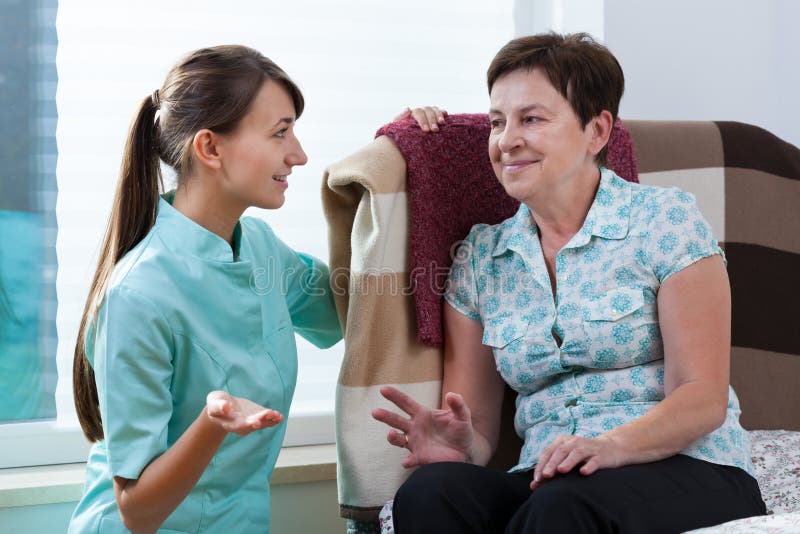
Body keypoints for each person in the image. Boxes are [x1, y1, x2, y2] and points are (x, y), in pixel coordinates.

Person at [373, 33, 766, 533]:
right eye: (497, 122)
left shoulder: (665, 220)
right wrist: (461, 448)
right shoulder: (479, 258)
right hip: (551, 480)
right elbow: (479, 429)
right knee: (432, 494)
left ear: (597, 130)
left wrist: (610, 446)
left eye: (531, 119)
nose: (505, 140)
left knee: (564, 506)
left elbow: (701, 397)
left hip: (692, 468)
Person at [68, 45, 342, 533]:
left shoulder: (258, 247)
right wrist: (212, 423)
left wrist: (400, 155)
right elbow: (138, 510)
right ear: (211, 148)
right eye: (280, 132)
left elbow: (348, 312)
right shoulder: (138, 294)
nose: (299, 154)